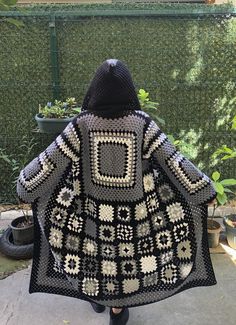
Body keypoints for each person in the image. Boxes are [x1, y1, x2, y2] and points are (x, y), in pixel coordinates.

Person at [17, 59, 217, 325]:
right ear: (129, 90)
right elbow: (174, 162)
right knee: (125, 262)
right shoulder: (142, 124)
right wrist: (205, 190)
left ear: (93, 90)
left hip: (88, 213)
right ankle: (117, 311)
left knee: (90, 254)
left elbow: (50, 161)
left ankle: (98, 297)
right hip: (134, 216)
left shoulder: (81, 125)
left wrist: (25, 186)